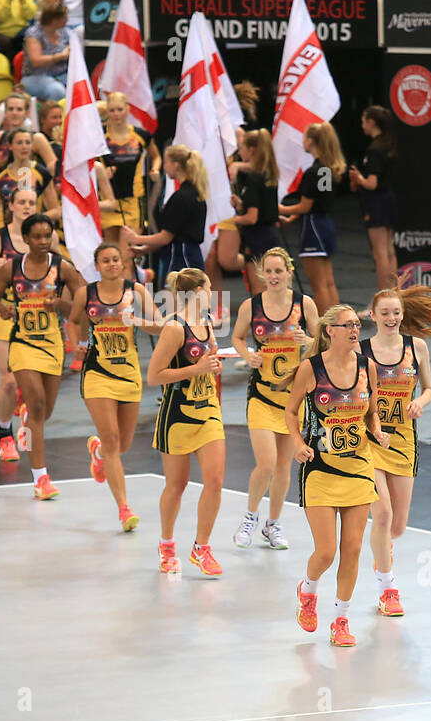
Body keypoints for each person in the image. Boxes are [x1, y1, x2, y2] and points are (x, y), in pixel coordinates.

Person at [285, 304, 390, 647]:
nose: (354, 330)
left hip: (359, 467)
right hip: (321, 468)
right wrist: (298, 443)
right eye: (347, 325)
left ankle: (341, 620)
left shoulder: (367, 367)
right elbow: (290, 412)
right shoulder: (310, 368)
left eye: (357, 324)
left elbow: (372, 412)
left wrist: (377, 430)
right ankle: (308, 589)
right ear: (330, 330)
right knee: (327, 551)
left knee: (353, 549)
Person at [0, 212, 85, 500]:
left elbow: (82, 305)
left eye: (48, 235)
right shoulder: (11, 269)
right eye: (37, 236)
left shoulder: (62, 268)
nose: (43, 241)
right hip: (22, 344)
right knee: (38, 403)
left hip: (52, 345)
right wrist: (2, 309)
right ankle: (41, 478)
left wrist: (62, 305)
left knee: (44, 414)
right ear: (26, 239)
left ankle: (28, 419)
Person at [361, 284, 431, 617]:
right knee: (381, 514)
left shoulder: (417, 348)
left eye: (396, 313)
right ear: (373, 316)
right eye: (385, 313)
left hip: (403, 441)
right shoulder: (361, 352)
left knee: (397, 526)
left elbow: (429, 389)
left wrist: (419, 403)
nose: (392, 318)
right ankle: (388, 588)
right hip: (369, 441)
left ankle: (384, 548)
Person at [69, 241, 163, 529]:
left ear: (123, 264)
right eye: (105, 260)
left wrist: (137, 320)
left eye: (116, 259)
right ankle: (124, 508)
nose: (111, 264)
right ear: (96, 266)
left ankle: (97, 452)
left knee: (122, 444)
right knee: (112, 440)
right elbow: (74, 321)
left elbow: (159, 326)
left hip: (129, 372)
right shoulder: (86, 293)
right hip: (97, 372)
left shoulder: (135, 291)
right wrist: (76, 345)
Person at [230, 247, 319, 550]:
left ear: (289, 272)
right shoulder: (252, 306)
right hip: (262, 396)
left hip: (293, 401)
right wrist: (247, 355)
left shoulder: (304, 304)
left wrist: (306, 341)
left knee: (284, 467)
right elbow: (237, 338)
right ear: (261, 274)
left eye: (278, 271)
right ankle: (250, 517)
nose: (272, 276)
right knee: (266, 464)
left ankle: (273, 524)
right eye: (268, 271)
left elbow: (322, 345)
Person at [148, 267, 226, 576]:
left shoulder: (206, 322)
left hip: (208, 410)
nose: (212, 293)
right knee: (176, 486)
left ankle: (201, 548)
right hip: (178, 414)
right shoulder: (175, 328)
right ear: (197, 293)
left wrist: (213, 365)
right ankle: (167, 543)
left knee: (215, 481)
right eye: (209, 288)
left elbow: (206, 360)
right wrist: (195, 370)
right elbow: (154, 376)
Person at [279, 121, 345, 314]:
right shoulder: (327, 168)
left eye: (305, 137)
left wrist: (280, 209)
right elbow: (315, 204)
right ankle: (338, 323)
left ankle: (326, 328)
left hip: (313, 227)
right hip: (324, 223)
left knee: (319, 286)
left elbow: (305, 205)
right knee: (328, 282)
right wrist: (293, 217)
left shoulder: (313, 172)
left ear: (311, 141)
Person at [122, 144, 208, 287]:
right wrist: (144, 249)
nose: (164, 166)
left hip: (180, 257)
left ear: (176, 165)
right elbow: (173, 234)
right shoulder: (194, 193)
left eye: (166, 162)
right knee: (190, 303)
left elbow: (165, 237)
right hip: (189, 254)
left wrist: (136, 238)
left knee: (180, 303)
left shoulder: (181, 197)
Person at [100, 91, 159, 255]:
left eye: (119, 109)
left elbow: (156, 156)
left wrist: (155, 169)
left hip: (133, 201)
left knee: (126, 256)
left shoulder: (141, 135)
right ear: (107, 112)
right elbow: (89, 164)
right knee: (111, 255)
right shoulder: (100, 136)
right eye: (112, 110)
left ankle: (138, 278)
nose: (116, 114)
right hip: (108, 201)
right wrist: (100, 171)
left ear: (127, 110)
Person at [348, 105, 398, 291]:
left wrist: (358, 178)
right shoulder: (388, 144)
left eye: (363, 122)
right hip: (388, 200)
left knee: (380, 253)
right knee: (389, 250)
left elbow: (372, 183)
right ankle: (394, 294)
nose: (362, 126)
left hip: (377, 203)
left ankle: (384, 298)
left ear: (371, 122)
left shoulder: (374, 149)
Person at [0, 127, 60, 238]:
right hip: (3, 232)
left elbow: (56, 211)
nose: (24, 147)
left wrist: (34, 219)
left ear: (32, 145)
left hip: (30, 234)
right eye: (19, 143)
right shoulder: (2, 174)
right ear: (10, 146)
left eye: (27, 142)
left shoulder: (41, 173)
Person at [227, 129, 281, 292]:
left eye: (241, 148)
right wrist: (242, 205)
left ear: (251, 150)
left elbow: (251, 218)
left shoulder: (253, 178)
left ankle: (260, 318)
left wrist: (231, 221)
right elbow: (262, 204)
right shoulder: (269, 173)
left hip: (258, 238)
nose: (239, 152)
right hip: (270, 235)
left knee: (259, 291)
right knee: (272, 290)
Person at [19, 1, 70, 100]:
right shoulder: (34, 34)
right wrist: (61, 56)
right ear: (54, 20)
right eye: (64, 17)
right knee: (57, 91)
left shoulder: (64, 32)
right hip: (35, 76)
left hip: (62, 74)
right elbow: (36, 61)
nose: (67, 20)